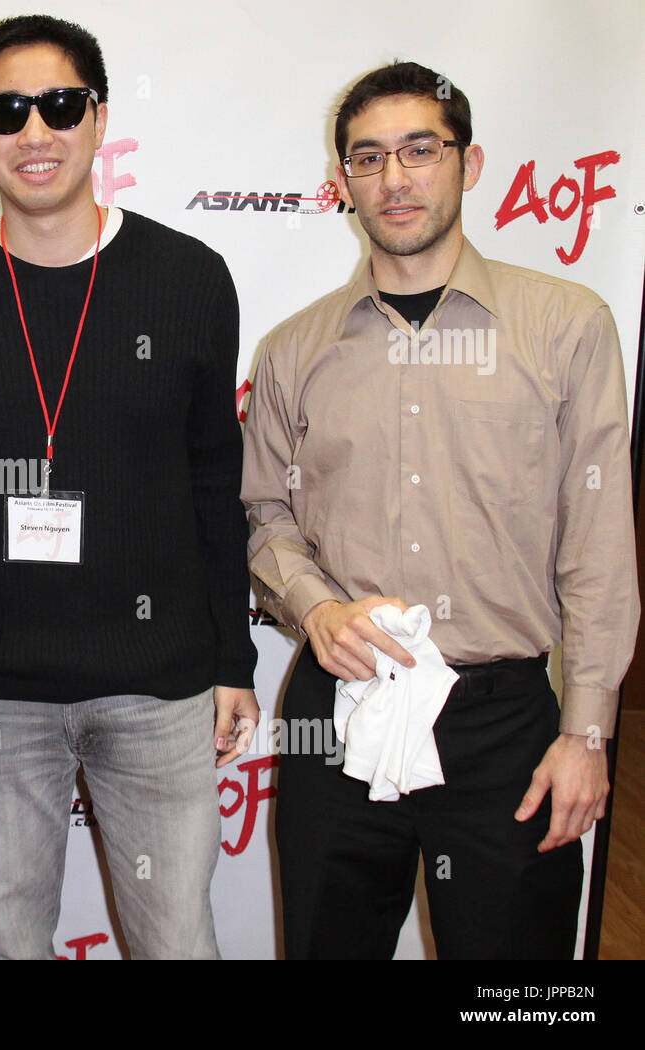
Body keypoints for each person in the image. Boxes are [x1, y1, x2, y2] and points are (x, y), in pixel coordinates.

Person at [242, 61, 639, 958]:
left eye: (421, 149)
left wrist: (587, 730)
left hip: (503, 721)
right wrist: (316, 606)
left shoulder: (566, 326)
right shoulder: (294, 348)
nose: (395, 178)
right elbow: (264, 511)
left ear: (471, 162)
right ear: (341, 181)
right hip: (338, 711)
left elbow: (600, 547)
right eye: (368, 157)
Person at [0, 15, 258, 960]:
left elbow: (218, 480)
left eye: (59, 105)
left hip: (159, 686)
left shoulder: (188, 278)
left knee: (176, 940)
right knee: (7, 940)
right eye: (6, 110)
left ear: (98, 119)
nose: (34, 132)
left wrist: (233, 660)